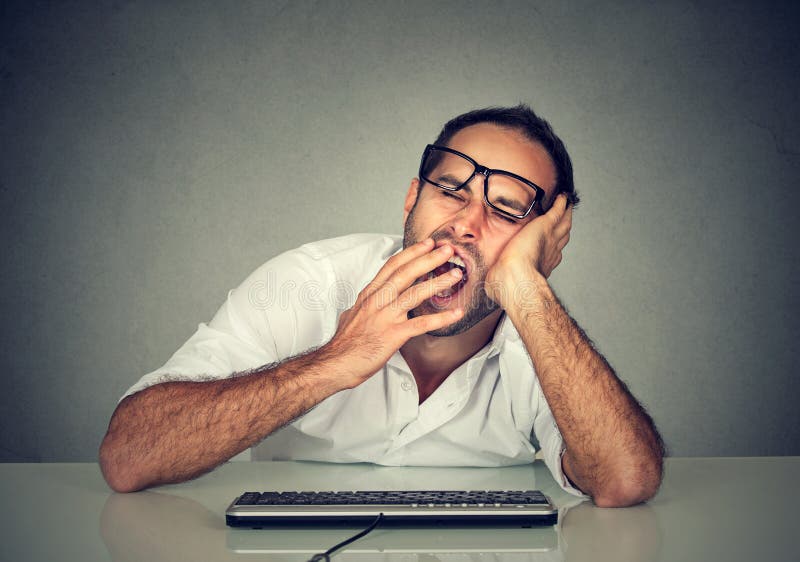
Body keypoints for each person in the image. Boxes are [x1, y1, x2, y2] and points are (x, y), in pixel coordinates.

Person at [99, 105, 664, 506]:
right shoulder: (307, 283)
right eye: (450, 190)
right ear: (412, 199)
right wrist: (334, 361)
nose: (465, 224)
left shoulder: (543, 340)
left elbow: (623, 482)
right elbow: (129, 457)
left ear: (546, 242)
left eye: (509, 209)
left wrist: (525, 284)